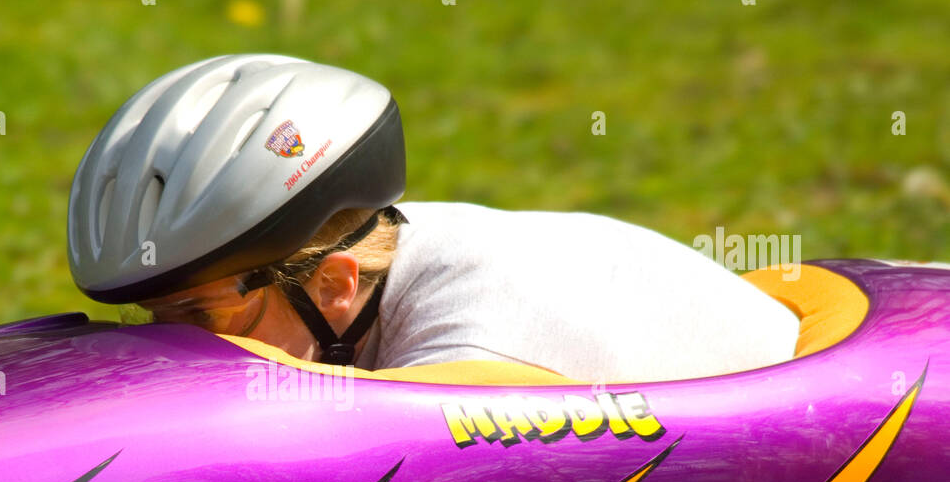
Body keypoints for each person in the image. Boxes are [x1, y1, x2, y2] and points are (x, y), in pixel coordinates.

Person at [67, 54, 800, 382]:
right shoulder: (361, 291)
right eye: (153, 316)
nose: (173, 349)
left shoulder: (482, 310)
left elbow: (428, 443)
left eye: (205, 315)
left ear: (334, 285)